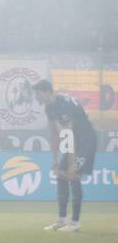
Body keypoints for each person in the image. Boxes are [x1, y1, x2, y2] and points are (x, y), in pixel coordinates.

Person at [34, 79, 97, 232]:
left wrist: (71, 164)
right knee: (61, 176)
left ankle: (75, 223)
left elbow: (69, 135)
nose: (36, 98)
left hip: (85, 142)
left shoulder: (64, 105)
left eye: (38, 94)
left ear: (47, 92)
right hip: (75, 141)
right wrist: (55, 160)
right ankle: (62, 220)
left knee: (73, 176)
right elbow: (54, 134)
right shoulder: (50, 107)